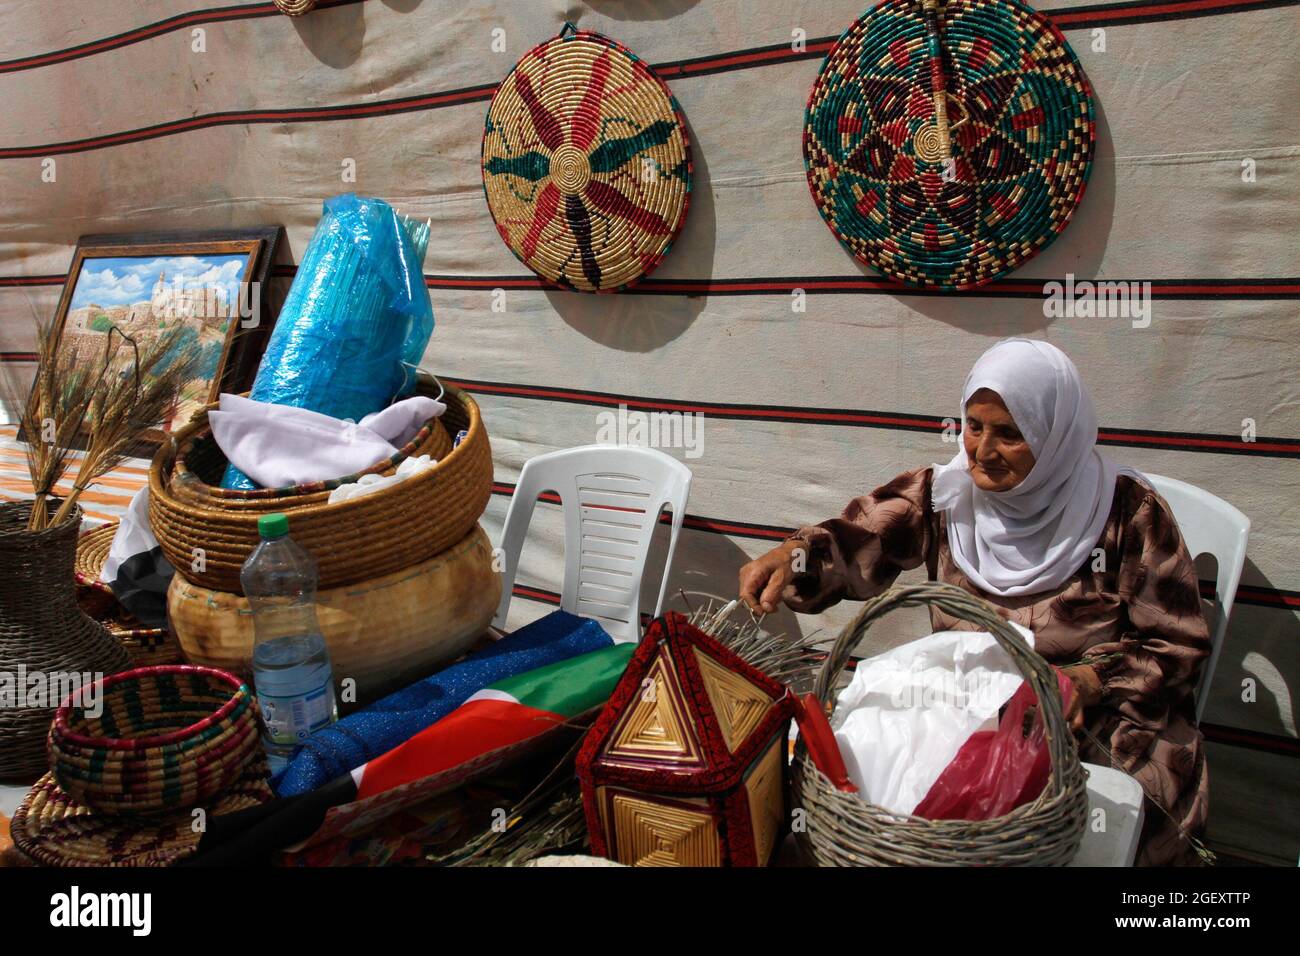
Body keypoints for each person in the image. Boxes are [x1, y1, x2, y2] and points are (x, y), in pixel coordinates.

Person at [740, 338, 1210, 865]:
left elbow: (1177, 643)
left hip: (1094, 729)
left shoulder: (1125, 514)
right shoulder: (946, 496)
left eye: (1009, 434)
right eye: (974, 426)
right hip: (969, 714)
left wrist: (1085, 681)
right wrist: (794, 554)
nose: (982, 452)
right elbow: (856, 540)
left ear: (1055, 435)